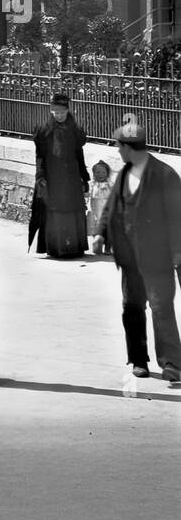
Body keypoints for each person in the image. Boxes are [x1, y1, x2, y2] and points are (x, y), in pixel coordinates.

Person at [92, 119, 181, 381]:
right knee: (132, 307)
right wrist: (100, 232)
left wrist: (178, 254)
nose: (117, 151)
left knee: (161, 306)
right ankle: (138, 360)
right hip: (129, 258)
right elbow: (111, 207)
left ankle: (172, 362)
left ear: (131, 148)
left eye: (120, 146)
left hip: (158, 258)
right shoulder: (124, 174)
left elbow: (178, 218)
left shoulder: (165, 175)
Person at [29, 92, 90, 258]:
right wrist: (40, 176)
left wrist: (84, 177)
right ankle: (56, 248)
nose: (60, 116)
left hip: (71, 176)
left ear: (68, 111)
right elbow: (39, 155)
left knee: (73, 209)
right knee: (55, 210)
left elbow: (79, 153)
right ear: (51, 112)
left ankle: (75, 248)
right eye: (57, 113)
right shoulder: (43, 130)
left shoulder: (75, 129)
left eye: (63, 113)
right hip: (53, 176)